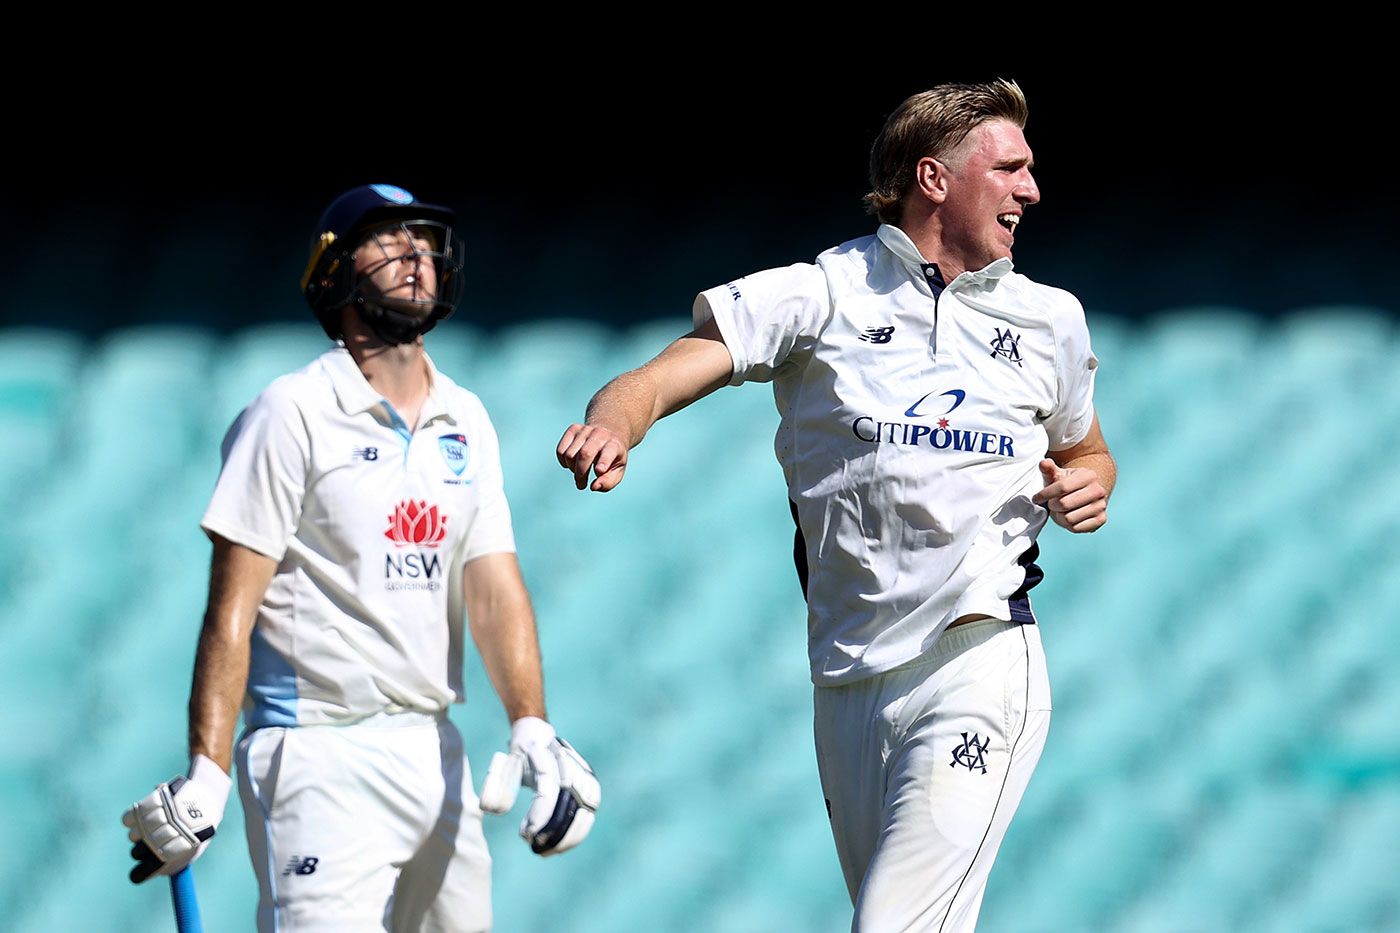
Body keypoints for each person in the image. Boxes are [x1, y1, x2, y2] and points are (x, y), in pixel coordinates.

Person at [556, 80, 1114, 931]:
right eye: (1010, 168)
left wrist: (1092, 483)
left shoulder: (1050, 321)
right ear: (934, 178)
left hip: (979, 659)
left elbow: (1085, 448)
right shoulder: (821, 293)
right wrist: (614, 424)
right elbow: (667, 370)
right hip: (847, 679)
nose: (1030, 190)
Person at [123, 183, 600, 932]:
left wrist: (531, 724)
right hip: (314, 757)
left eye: (424, 240)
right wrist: (208, 772)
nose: (415, 253)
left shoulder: (467, 417)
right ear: (335, 273)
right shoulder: (289, 412)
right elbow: (230, 610)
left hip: (434, 750)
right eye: (386, 240)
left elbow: (495, 588)